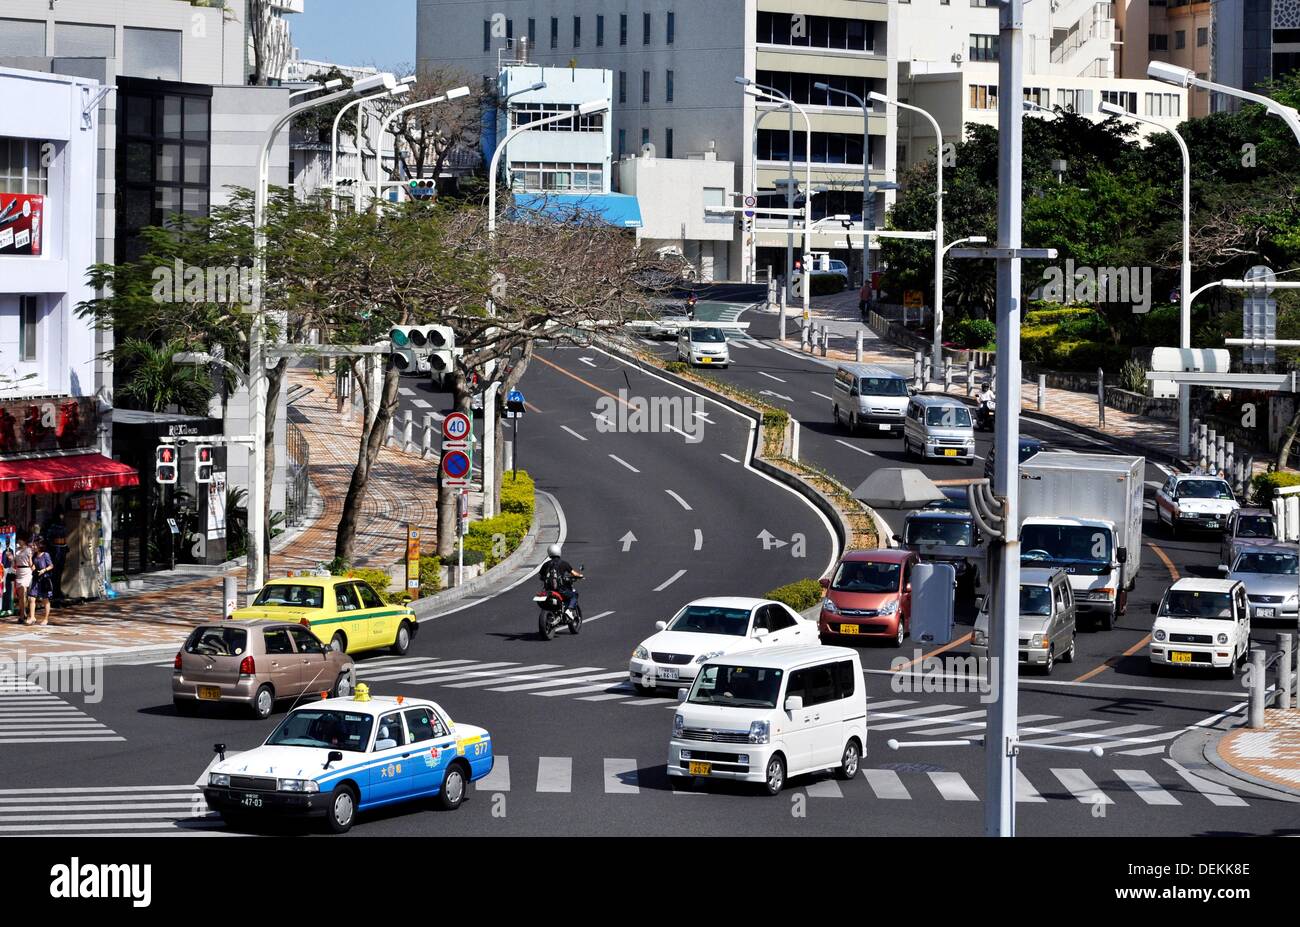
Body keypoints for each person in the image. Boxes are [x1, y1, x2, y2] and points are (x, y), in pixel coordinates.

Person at [538, 543, 582, 616]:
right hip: (560, 589)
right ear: (559, 552)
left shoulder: (545, 564)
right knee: (574, 595)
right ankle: (570, 610)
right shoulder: (564, 563)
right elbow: (574, 573)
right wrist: (580, 575)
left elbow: (540, 576)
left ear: (549, 552)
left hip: (548, 590)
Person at [27, 538, 53, 626]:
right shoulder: (34, 555)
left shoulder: (46, 555)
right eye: (33, 545)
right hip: (36, 578)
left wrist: (44, 570)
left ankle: (46, 619)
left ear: (40, 546)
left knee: (45, 599)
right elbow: (32, 567)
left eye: (35, 545)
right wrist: (30, 558)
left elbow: (51, 566)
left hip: (44, 579)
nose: (33, 547)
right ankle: (32, 617)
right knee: (31, 598)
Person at [45, 509, 68, 603]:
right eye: (60, 515)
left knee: (60, 571)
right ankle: (53, 591)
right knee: (54, 573)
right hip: (55, 551)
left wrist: (66, 547)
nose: (62, 517)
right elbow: (48, 538)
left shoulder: (63, 525)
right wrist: (52, 548)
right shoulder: (52, 526)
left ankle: (58, 590)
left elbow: (65, 538)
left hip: (62, 550)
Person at [11, 534, 32, 624]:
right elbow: (13, 562)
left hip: (26, 571)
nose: (19, 542)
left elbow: (31, 562)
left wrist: (32, 564)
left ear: (24, 541)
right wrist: (11, 559)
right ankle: (22, 614)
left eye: (20, 540)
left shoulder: (28, 549)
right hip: (18, 571)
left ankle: (24, 614)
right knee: (20, 596)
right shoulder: (17, 551)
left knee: (24, 593)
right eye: (18, 540)